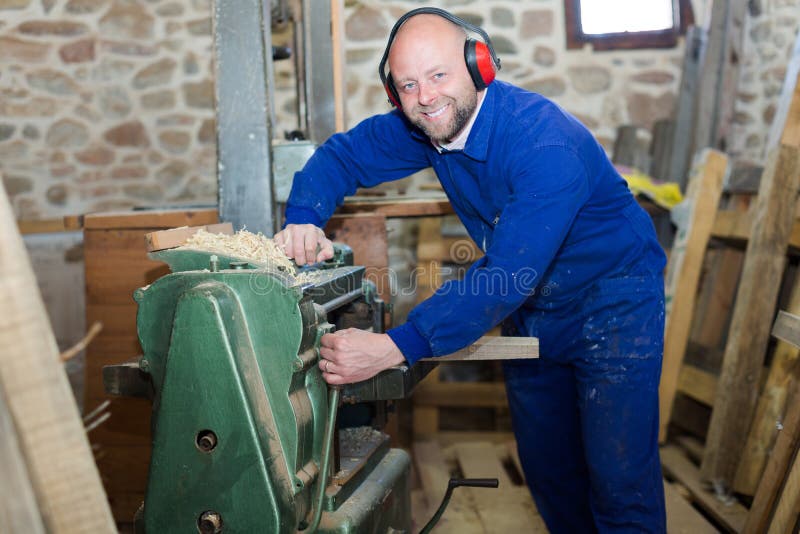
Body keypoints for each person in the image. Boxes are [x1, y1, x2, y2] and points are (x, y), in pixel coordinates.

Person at [274, 7, 667, 533]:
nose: (426, 96)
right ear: (394, 94)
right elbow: (344, 158)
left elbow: (508, 272)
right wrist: (303, 220)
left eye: (438, 75)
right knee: (551, 474)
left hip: (615, 301)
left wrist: (397, 345)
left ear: (479, 65)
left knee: (619, 482)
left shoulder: (543, 142)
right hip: (537, 307)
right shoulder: (426, 126)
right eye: (408, 85)